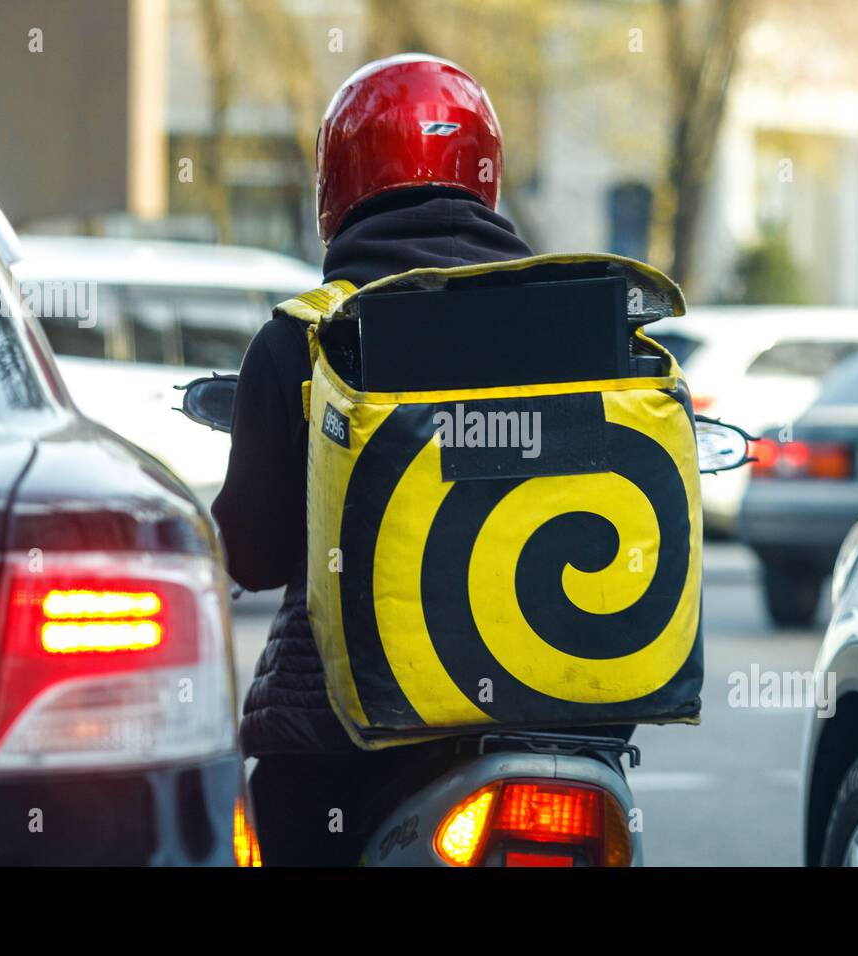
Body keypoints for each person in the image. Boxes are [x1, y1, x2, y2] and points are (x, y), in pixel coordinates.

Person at [212, 54, 535, 865]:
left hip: (338, 731)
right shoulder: (564, 321)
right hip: (545, 707)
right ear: (484, 171)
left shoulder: (304, 336)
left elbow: (251, 547)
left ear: (340, 179)